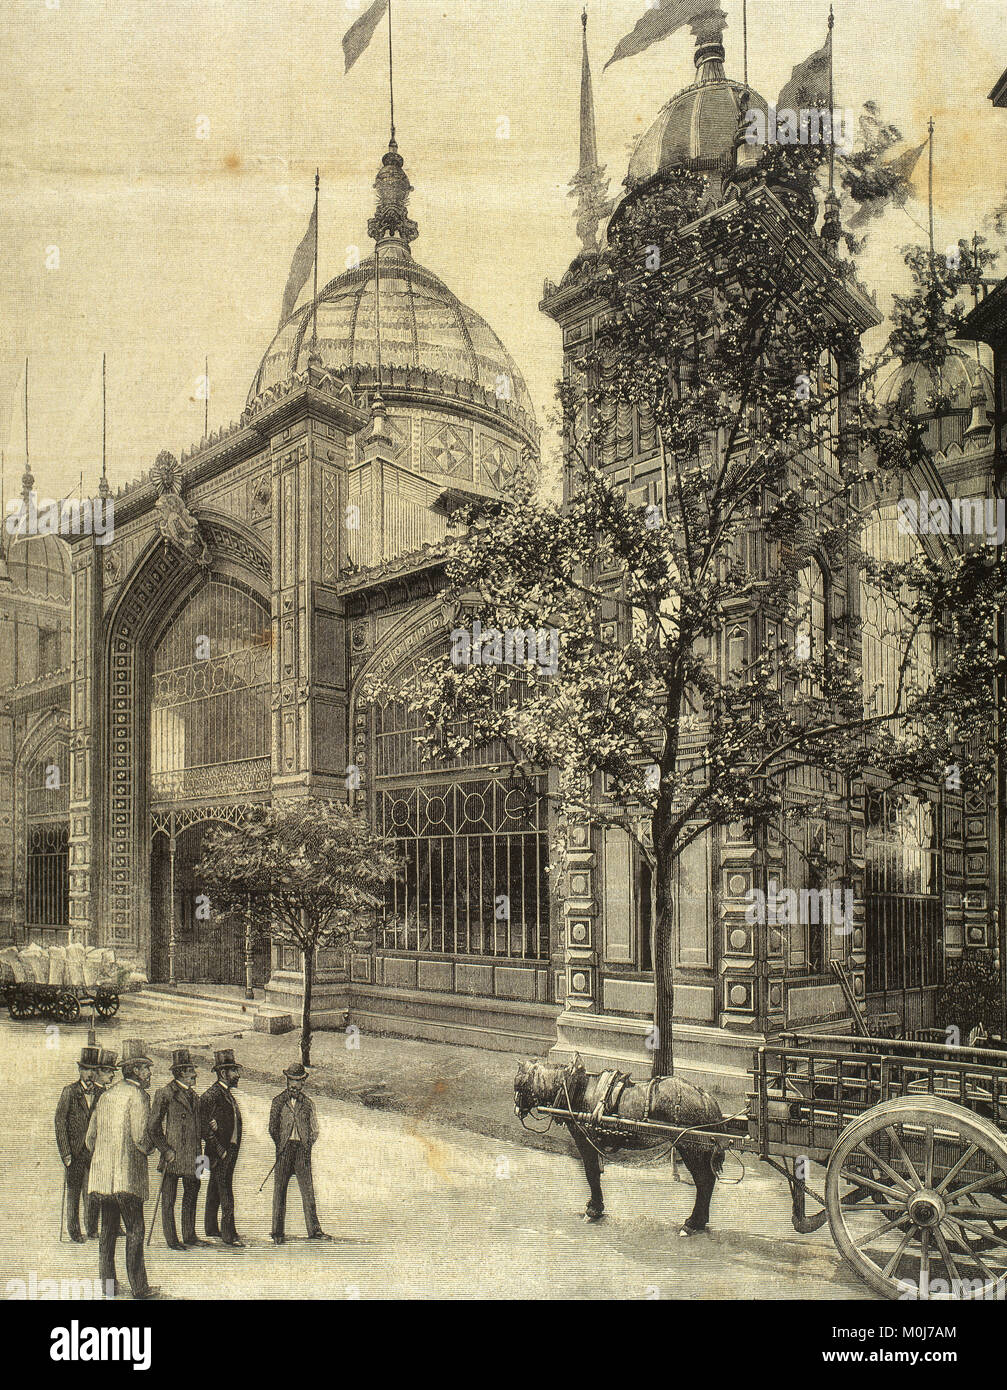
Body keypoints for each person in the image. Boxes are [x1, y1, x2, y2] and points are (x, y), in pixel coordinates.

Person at [85, 1038, 158, 1300]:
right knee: (135, 1230)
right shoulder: (139, 1096)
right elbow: (140, 1138)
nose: (150, 1073)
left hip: (103, 1180)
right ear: (136, 1070)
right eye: (146, 1068)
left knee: (107, 1232)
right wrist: (154, 1148)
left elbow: (89, 1139)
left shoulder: (105, 1095)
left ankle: (108, 1287)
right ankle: (139, 1288)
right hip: (127, 1178)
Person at [147, 1047, 205, 1251]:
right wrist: (164, 1149)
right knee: (169, 1200)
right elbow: (153, 1126)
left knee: (193, 1195)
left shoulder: (196, 1097)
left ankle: (190, 1236)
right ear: (181, 1072)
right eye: (191, 1070)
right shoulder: (165, 1094)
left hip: (196, 1156)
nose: (195, 1074)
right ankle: (172, 1240)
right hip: (173, 1155)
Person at [268, 1062, 330, 1243]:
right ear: (286, 1081)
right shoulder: (277, 1102)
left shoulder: (309, 1104)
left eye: (298, 1081)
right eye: (291, 1081)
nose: (294, 1085)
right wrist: (281, 1143)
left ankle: (315, 1231)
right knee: (279, 1192)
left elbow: (315, 1129)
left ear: (303, 1083)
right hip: (284, 1150)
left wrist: (307, 1145)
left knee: (308, 1191)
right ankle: (277, 1232)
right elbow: (272, 1128)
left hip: (302, 1151)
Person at [55, 1044, 101, 1242]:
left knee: (92, 1193)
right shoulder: (69, 1092)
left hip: (94, 1152)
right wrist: (65, 1152)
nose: (89, 1074)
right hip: (74, 1152)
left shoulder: (101, 1093)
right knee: (73, 1193)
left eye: (92, 1070)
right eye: (86, 1069)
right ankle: (74, 1232)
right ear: (80, 1070)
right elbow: (59, 1122)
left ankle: (91, 1229)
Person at [201, 1049, 244, 1247]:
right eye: (233, 1071)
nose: (237, 1075)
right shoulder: (212, 1095)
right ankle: (229, 1235)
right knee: (225, 1191)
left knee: (215, 1189)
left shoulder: (226, 1093)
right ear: (222, 1073)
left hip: (228, 1149)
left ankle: (211, 1228)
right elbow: (204, 1128)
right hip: (220, 1152)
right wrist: (221, 1150)